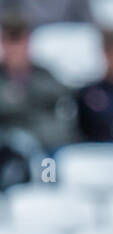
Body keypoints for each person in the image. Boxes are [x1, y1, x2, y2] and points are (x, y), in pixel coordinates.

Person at [0, 14, 76, 153]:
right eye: (10, 41)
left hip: (42, 146)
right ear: (3, 43)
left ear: (28, 42)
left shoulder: (44, 76)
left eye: (19, 40)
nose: (15, 48)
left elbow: (65, 98)